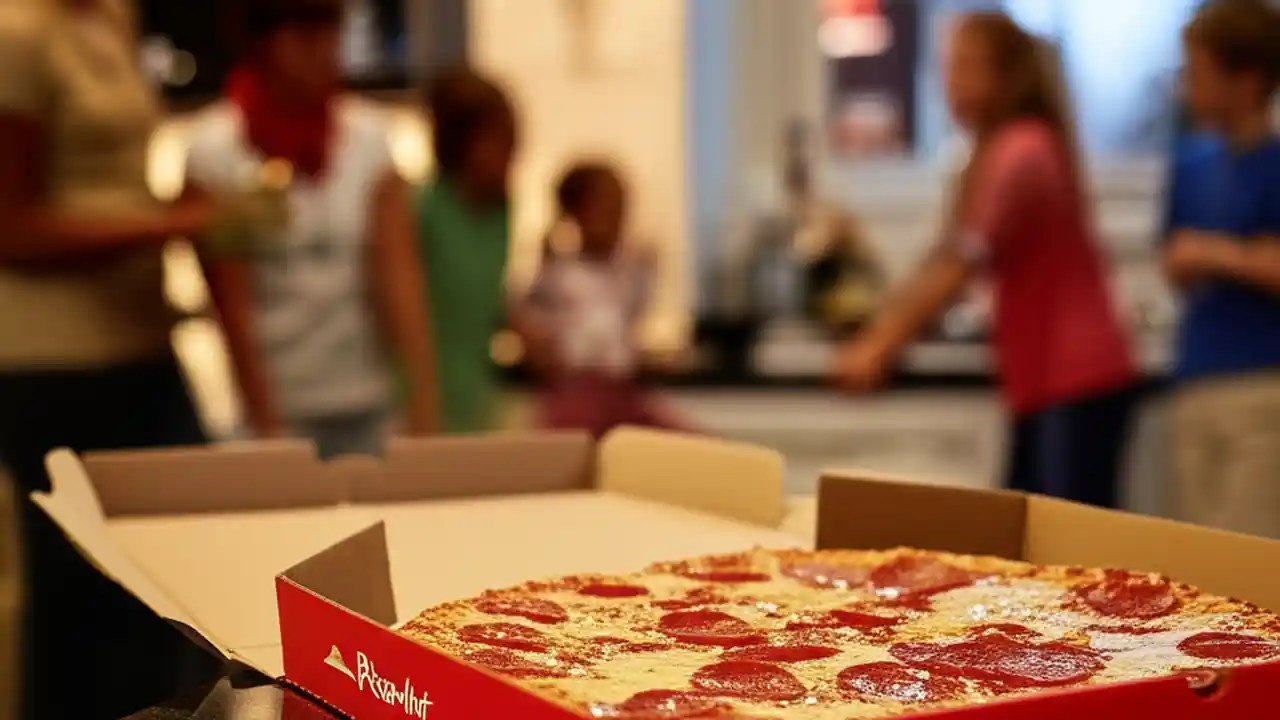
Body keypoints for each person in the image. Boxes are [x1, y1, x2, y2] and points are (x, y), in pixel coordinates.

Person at [0, 0, 214, 716]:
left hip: (140, 341)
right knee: (81, 611)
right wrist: (171, 223)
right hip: (55, 362)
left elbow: (110, 182)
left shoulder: (110, 17)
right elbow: (13, 227)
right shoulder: (15, 32)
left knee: (168, 598)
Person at [834, 12, 1137, 508]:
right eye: (948, 68)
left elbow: (958, 263)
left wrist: (878, 343)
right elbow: (946, 256)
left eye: (966, 67)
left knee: (1065, 548)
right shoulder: (997, 151)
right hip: (1046, 380)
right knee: (1034, 545)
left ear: (1007, 75)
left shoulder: (1023, 151)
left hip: (1076, 378)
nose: (949, 83)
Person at [188, 0, 440, 458]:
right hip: (280, 408)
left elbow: (401, 281)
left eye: (331, 30)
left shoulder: (369, 137)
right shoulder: (214, 151)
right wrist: (267, 426)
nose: (323, 49)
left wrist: (423, 405)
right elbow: (232, 308)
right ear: (261, 42)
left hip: (368, 399)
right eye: (305, 33)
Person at [1164, 0, 1280, 537]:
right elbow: (1171, 258)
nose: (1187, 86)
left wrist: (1214, 253)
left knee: (1251, 556)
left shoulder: (1273, 164)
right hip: (1197, 378)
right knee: (1202, 558)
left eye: (1199, 72)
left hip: (1262, 382)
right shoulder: (1190, 164)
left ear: (1247, 78)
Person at [514, 163, 689, 439]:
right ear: (576, 213)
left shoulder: (633, 270)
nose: (618, 217)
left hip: (624, 394)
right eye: (607, 206)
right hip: (575, 395)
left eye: (622, 207)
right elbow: (528, 328)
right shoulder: (555, 275)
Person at [416, 69, 517, 434]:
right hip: (420, 400)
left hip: (478, 398)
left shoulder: (499, 211)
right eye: (498, 142)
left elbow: (485, 296)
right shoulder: (423, 210)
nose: (509, 156)